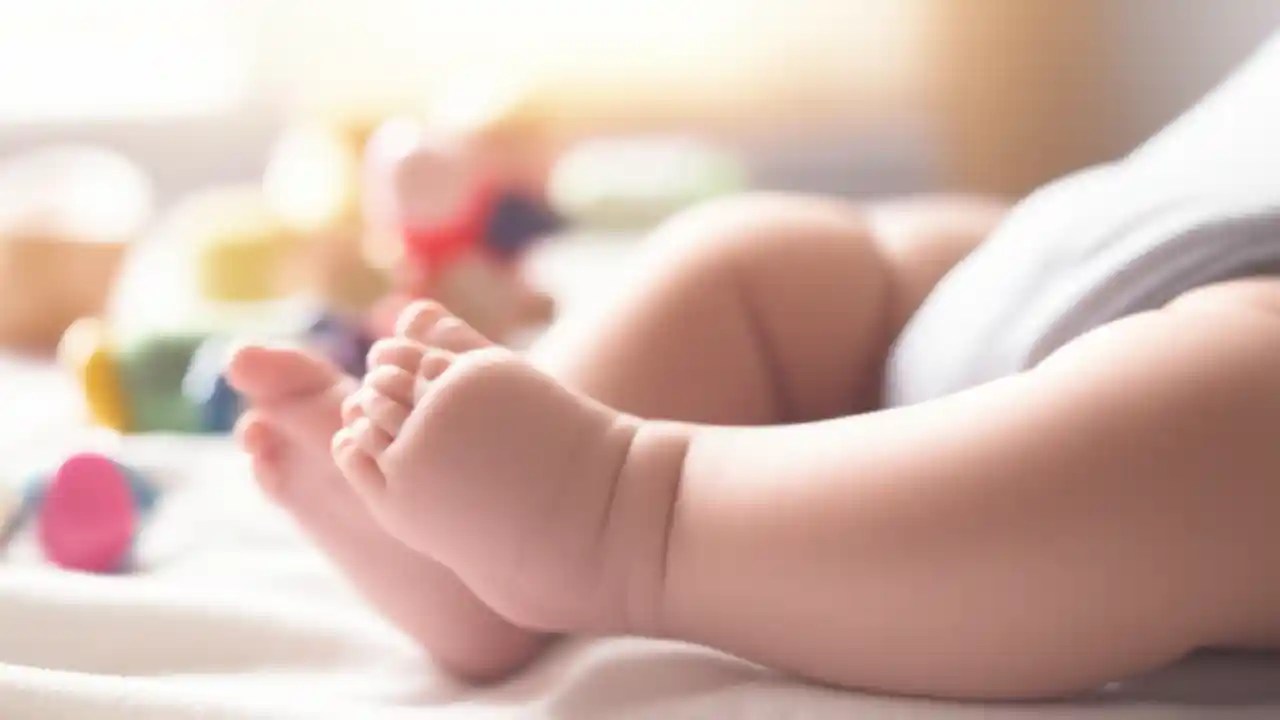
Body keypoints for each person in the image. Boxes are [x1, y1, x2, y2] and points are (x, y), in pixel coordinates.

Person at [226, 35, 1280, 699]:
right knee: (761, 263)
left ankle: (628, 514)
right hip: (1073, 253)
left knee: (1221, 427)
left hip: (1233, 364)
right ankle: (466, 562)